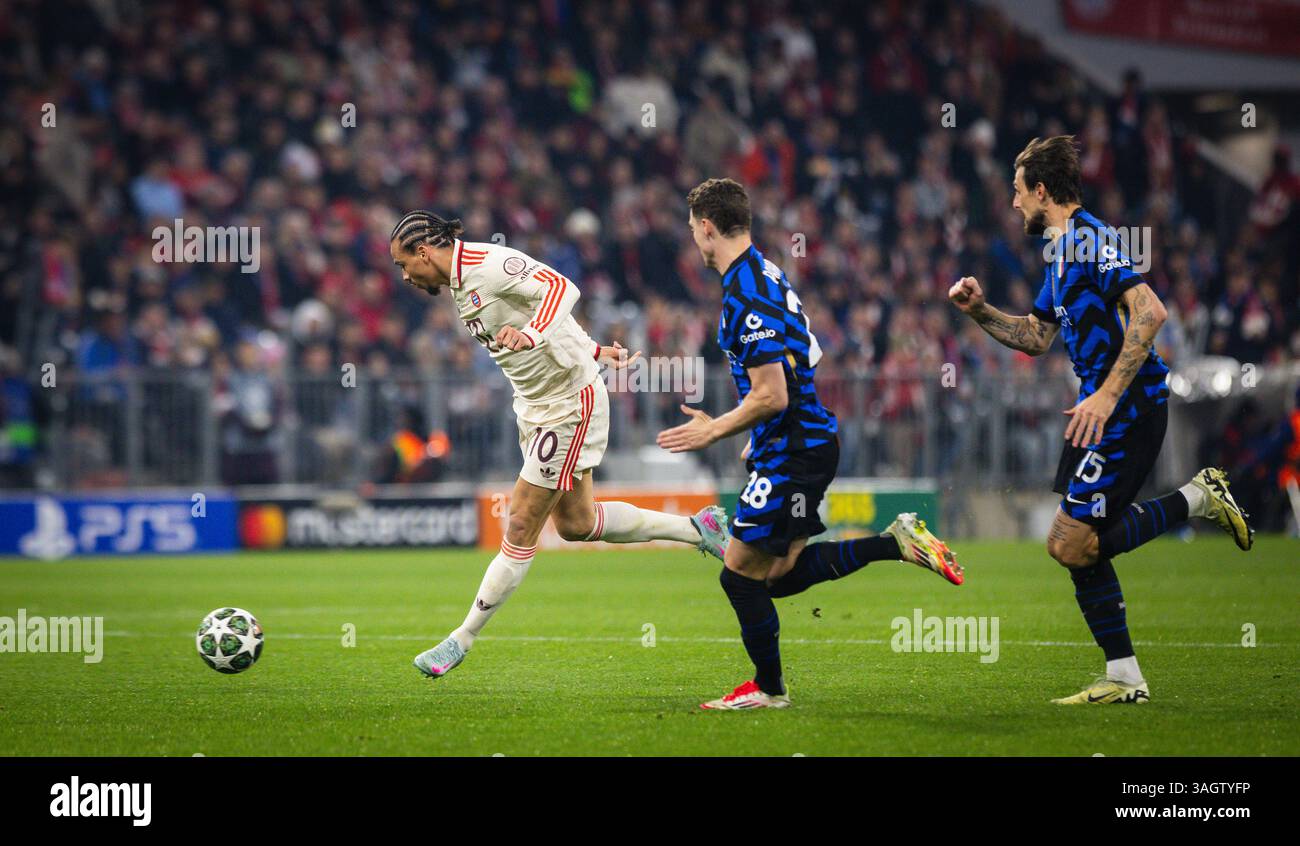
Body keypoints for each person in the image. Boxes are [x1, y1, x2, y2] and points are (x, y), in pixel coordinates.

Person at [948, 136, 1253, 705]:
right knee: (1074, 544)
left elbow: (1150, 311)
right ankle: (1125, 675)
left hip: (1128, 411)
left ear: (1042, 192)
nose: (1013, 204)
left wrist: (1108, 396)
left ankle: (1196, 503)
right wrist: (980, 311)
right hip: (1096, 414)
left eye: (1018, 193)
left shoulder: (1091, 239)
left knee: (1069, 542)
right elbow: (1037, 337)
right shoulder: (1059, 254)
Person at [659, 178, 963, 711]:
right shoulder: (769, 273)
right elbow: (809, 355)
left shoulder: (745, 291)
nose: (693, 241)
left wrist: (716, 429)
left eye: (692, 230)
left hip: (794, 448)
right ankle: (896, 543)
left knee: (738, 577)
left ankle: (769, 689)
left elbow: (772, 394)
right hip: (805, 440)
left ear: (707, 227)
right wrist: (759, 434)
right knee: (774, 576)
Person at [389, 211, 732, 680]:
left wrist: (533, 336)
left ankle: (461, 638)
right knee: (577, 524)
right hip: (534, 406)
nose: (405, 275)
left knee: (521, 520)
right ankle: (699, 529)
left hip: (569, 404)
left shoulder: (489, 264)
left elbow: (561, 289)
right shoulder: (459, 283)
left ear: (424, 251)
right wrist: (592, 349)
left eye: (404, 264)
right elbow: (536, 313)